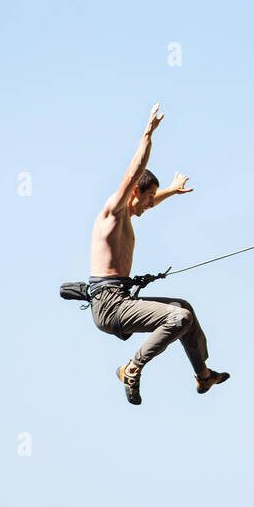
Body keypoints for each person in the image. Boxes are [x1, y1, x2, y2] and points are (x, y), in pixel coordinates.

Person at [88, 102, 229, 406]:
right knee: (180, 317)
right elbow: (134, 174)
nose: (152, 205)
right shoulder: (113, 211)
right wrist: (147, 135)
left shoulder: (128, 214)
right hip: (109, 305)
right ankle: (132, 368)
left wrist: (170, 192)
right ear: (134, 193)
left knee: (183, 307)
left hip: (120, 300)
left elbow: (145, 199)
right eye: (149, 198)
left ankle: (204, 375)